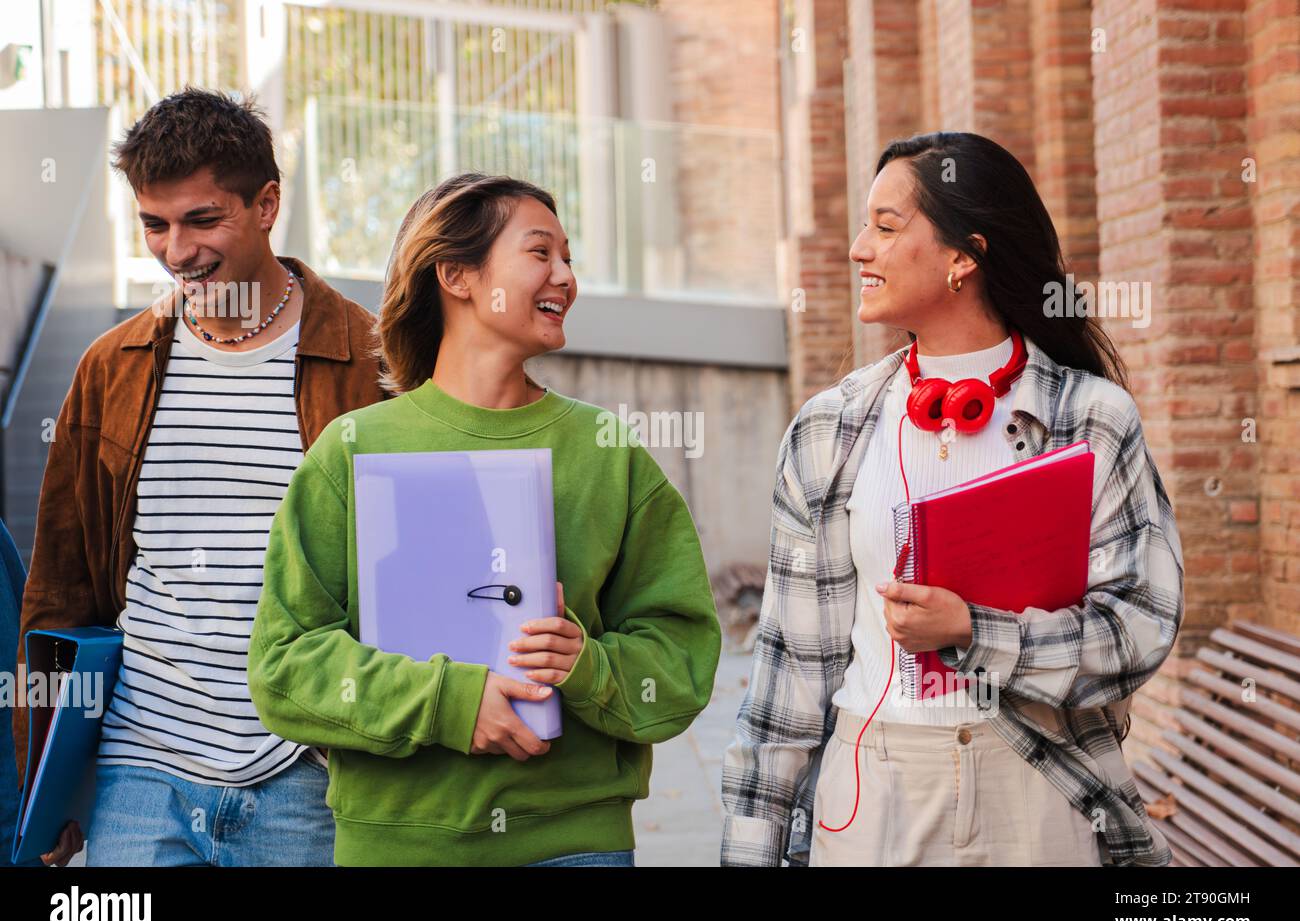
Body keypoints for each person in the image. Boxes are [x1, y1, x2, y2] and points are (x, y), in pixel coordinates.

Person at [721, 131, 1184, 867]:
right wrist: (751, 847)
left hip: (1039, 788)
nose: (856, 249)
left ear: (963, 255)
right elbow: (790, 673)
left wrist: (974, 630)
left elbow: (1138, 632)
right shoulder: (827, 430)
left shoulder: (1092, 419)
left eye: (885, 225)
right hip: (873, 791)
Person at [247, 172, 722, 866]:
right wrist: (451, 702)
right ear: (458, 275)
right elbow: (284, 665)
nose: (566, 276)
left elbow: (681, 657)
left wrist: (586, 666)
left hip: (573, 844)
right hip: (396, 847)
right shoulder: (351, 451)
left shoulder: (608, 454)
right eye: (541, 253)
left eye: (568, 257)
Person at [17, 88, 387, 866]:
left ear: (267, 204)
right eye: (155, 224)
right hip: (140, 769)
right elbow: (61, 583)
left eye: (202, 219)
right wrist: (41, 786)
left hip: (308, 772)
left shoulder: (372, 359)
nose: (176, 250)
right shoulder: (111, 368)